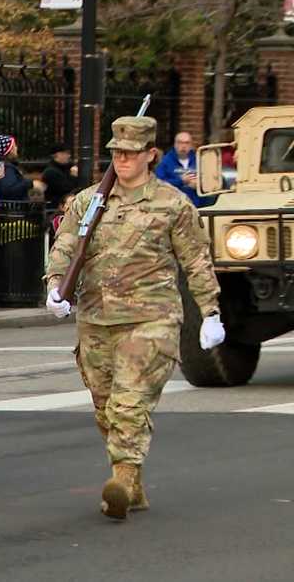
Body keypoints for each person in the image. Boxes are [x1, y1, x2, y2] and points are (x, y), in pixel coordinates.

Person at [45, 116, 223, 520]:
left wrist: (210, 311)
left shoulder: (171, 203)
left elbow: (196, 261)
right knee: (106, 407)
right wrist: (55, 284)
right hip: (96, 319)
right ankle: (132, 482)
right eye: (116, 153)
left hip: (151, 318)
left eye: (130, 153)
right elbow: (66, 244)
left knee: (129, 403)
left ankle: (123, 479)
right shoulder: (90, 200)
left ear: (150, 155)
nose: (122, 159)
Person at [156, 131, 210, 207]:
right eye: (180, 142)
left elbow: (212, 182)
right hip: (174, 207)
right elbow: (159, 184)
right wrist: (181, 181)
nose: (183, 146)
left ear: (191, 145)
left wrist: (200, 185)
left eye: (187, 143)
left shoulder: (199, 160)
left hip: (198, 206)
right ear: (175, 144)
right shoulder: (165, 162)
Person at [0, 134, 34, 201]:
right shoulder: (6, 168)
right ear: (9, 150)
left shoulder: (1, 165)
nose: (16, 148)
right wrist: (29, 183)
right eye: (14, 146)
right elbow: (9, 190)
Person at [41, 143, 80, 208]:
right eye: (66, 153)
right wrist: (73, 177)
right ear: (57, 155)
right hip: (56, 208)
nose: (68, 156)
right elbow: (67, 189)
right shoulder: (51, 172)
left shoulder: (67, 168)